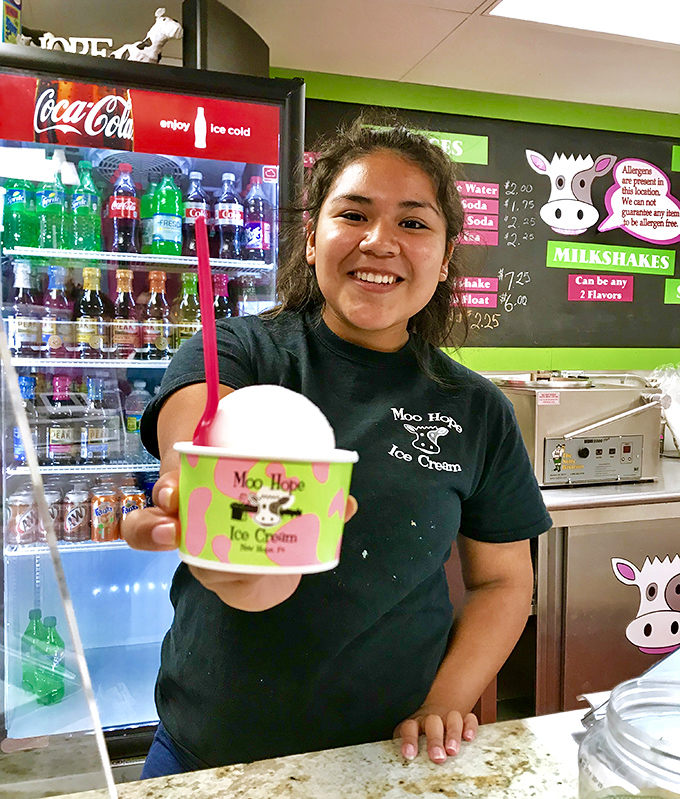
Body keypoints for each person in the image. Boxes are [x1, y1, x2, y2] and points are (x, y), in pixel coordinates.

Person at [123, 117, 552, 778]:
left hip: (386, 756)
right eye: (353, 214)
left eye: (413, 222)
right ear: (312, 237)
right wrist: (224, 544)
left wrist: (446, 700)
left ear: (444, 259)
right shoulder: (235, 350)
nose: (379, 240)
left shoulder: (476, 408)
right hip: (204, 754)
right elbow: (201, 455)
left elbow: (504, 581)